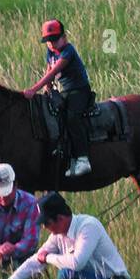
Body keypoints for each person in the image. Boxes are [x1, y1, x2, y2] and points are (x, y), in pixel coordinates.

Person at [0, 192, 130, 279]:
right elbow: (36, 260)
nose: (45, 228)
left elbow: (77, 263)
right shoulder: (58, 235)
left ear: (60, 218)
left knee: (66, 274)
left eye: (46, 223)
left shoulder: (88, 227)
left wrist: (48, 257)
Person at [24, 19, 93, 177]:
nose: (51, 44)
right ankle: (67, 156)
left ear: (64, 37)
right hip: (64, 92)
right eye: (48, 41)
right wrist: (47, 88)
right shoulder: (50, 52)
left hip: (78, 90)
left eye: (54, 39)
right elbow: (48, 72)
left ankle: (83, 158)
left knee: (72, 117)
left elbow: (53, 72)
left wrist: (34, 90)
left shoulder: (68, 51)